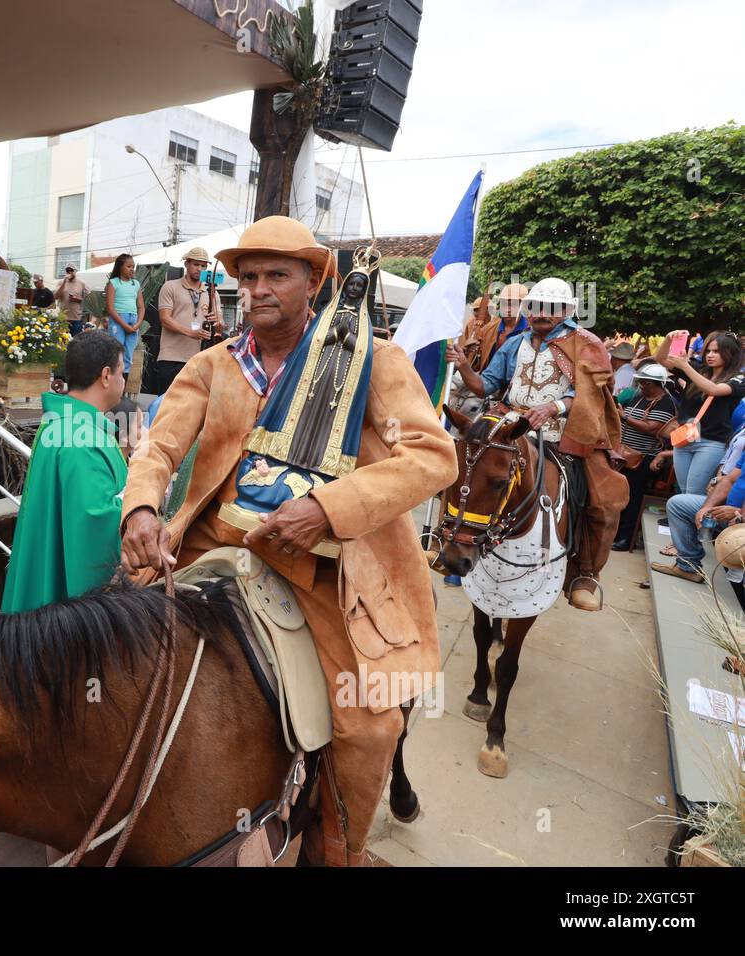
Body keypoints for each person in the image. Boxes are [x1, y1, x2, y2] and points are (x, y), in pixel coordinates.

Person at [120, 216, 457, 866]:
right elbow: (160, 445)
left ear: (314, 281)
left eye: (278, 274)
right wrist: (139, 509)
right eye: (249, 277)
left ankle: (340, 851)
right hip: (209, 548)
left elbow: (433, 455)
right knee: (100, 641)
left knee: (370, 725)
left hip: (324, 571)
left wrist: (329, 508)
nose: (261, 288)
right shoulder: (212, 365)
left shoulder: (374, 358)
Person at [448, 277, 629, 611]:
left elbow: (590, 393)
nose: (540, 315)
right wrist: (462, 365)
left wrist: (554, 406)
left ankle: (585, 573)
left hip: (566, 434)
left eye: (550, 308)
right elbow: (485, 385)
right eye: (535, 308)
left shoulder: (586, 343)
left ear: (567, 311)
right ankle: (450, 538)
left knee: (603, 498)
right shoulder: (515, 343)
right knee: (466, 466)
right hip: (509, 428)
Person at [0, 330, 128, 614]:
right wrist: (139, 499)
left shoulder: (59, 423)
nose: (124, 381)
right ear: (106, 376)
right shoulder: (82, 439)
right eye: (122, 372)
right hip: (71, 610)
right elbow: (94, 524)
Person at [651, 425, 745, 583]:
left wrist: (739, 514)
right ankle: (688, 567)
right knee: (678, 504)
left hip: (738, 516)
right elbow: (729, 479)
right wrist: (707, 507)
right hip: (729, 512)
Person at [657, 330, 745, 496]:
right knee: (683, 492)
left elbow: (714, 389)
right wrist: (669, 339)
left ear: (731, 354)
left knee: (693, 493)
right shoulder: (699, 369)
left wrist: (685, 366)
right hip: (684, 438)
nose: (710, 355)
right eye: (708, 351)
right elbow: (661, 359)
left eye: (717, 351)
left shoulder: (738, 378)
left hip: (711, 442)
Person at [612, 363, 678, 551]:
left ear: (657, 384)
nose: (642, 385)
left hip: (644, 457)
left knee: (633, 498)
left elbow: (651, 428)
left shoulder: (665, 402)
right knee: (621, 495)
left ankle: (626, 538)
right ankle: (616, 533)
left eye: (646, 383)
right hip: (625, 453)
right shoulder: (640, 397)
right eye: (641, 381)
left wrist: (624, 418)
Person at [449, 282, 529, 419]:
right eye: (505, 304)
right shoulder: (488, 329)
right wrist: (470, 351)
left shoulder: (531, 331)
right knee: (455, 400)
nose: (508, 309)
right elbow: (477, 364)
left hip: (515, 390)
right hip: (486, 382)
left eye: (514, 304)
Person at [156, 246, 220, 394]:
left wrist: (218, 322)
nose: (200, 269)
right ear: (186, 264)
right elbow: (164, 319)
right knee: (165, 406)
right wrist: (191, 333)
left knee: (192, 410)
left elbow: (220, 327)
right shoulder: (170, 286)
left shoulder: (212, 292)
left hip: (200, 360)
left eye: (203, 265)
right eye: (196, 264)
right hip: (171, 357)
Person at [104, 253, 144, 377]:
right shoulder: (113, 283)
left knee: (128, 356)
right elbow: (110, 308)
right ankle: (113, 389)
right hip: (118, 320)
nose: (132, 269)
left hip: (133, 320)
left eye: (133, 266)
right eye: (128, 266)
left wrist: (137, 324)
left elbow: (141, 307)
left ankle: (121, 391)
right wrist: (124, 325)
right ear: (120, 267)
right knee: (117, 354)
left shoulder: (135, 284)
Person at [55, 264, 88, 338]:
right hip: (63, 319)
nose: (69, 272)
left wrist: (78, 299)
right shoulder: (61, 282)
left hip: (76, 319)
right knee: (62, 342)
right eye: (67, 270)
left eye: (71, 270)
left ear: (75, 271)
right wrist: (64, 282)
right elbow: (56, 296)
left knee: (76, 342)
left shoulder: (81, 283)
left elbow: (89, 300)